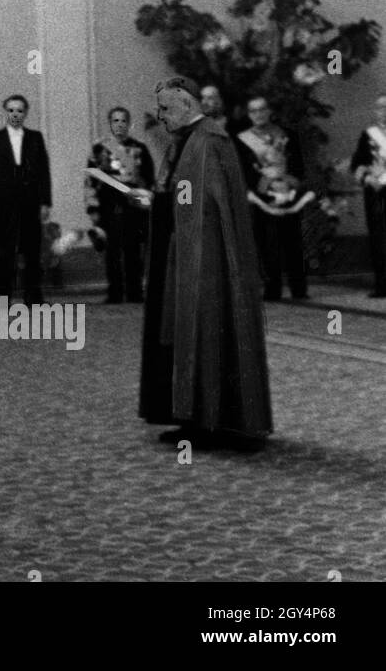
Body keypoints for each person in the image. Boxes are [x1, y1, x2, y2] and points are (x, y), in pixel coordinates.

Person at [132, 76, 271, 450]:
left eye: (165, 108)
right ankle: (194, 417)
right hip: (189, 253)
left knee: (208, 329)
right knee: (188, 332)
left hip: (208, 260)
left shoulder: (208, 142)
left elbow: (212, 209)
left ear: (187, 105)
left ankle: (212, 421)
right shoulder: (191, 140)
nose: (160, 116)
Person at [236, 95, 309, 302]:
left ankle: (299, 288)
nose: (258, 114)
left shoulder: (287, 135)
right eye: (253, 111)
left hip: (289, 193)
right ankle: (272, 289)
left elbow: (298, 167)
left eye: (262, 109)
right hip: (261, 198)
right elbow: (243, 171)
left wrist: (287, 182)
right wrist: (263, 186)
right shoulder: (242, 140)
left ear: (269, 111)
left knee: (293, 242)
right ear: (249, 115)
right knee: (268, 244)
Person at [0, 95, 51, 304]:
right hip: (4, 204)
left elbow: (43, 172)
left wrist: (45, 202)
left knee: (32, 251)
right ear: (5, 112)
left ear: (26, 113)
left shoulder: (35, 137)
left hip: (30, 202)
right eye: (11, 110)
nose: (15, 114)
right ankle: (3, 298)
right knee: (5, 252)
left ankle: (33, 296)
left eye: (19, 110)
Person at [85, 107, 155, 304]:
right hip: (109, 204)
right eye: (115, 121)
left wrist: (144, 200)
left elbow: (148, 179)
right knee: (112, 251)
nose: (120, 125)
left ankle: (135, 292)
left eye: (123, 121)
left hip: (133, 205)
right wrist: (93, 208)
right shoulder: (99, 149)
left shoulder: (140, 148)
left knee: (133, 250)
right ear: (110, 123)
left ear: (129, 123)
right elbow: (90, 180)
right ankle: (114, 293)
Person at [349, 94, 386, 299]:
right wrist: (367, 178)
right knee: (379, 238)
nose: (384, 111)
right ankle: (382, 285)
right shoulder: (368, 135)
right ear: (375, 111)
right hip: (377, 191)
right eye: (381, 107)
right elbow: (357, 164)